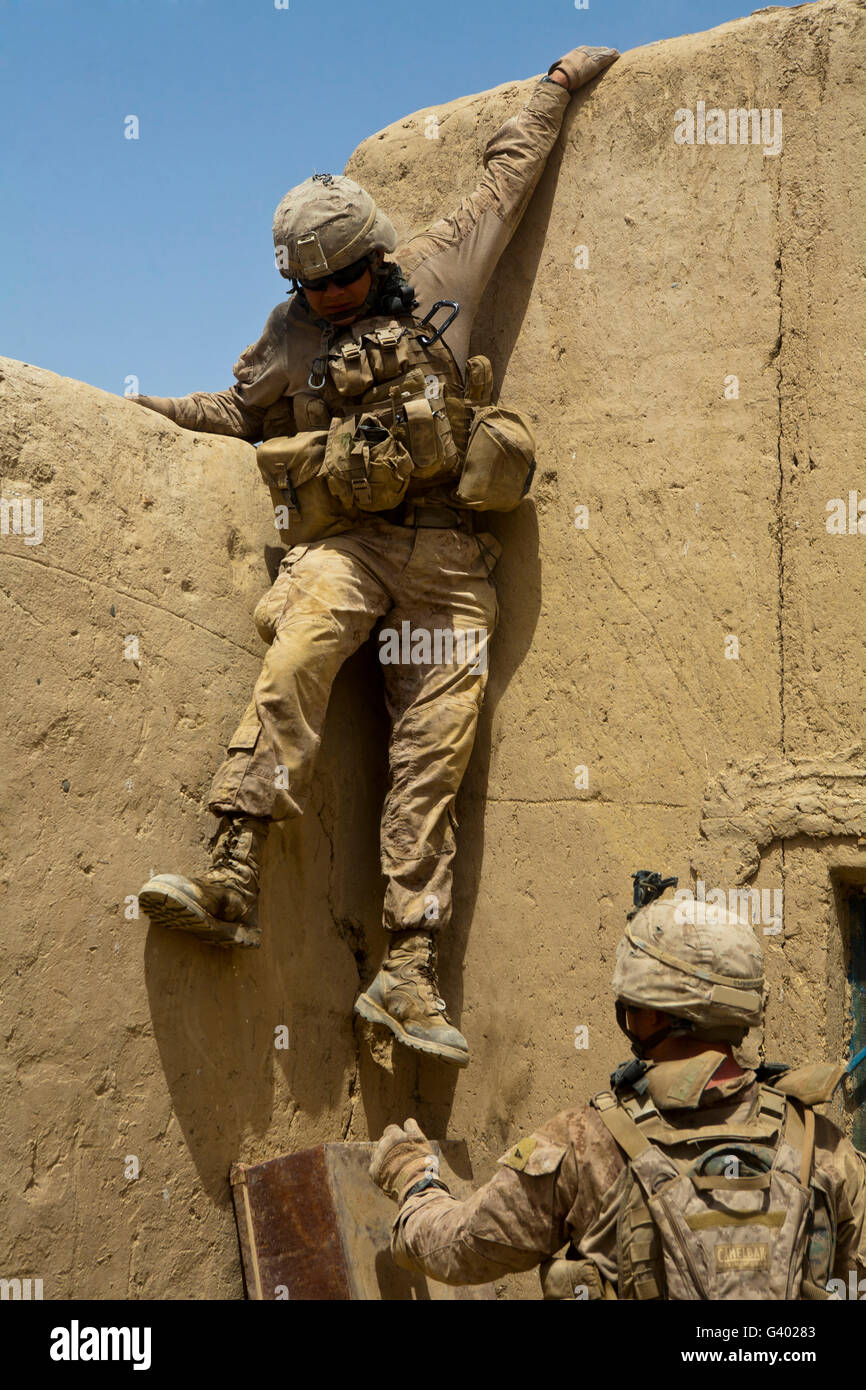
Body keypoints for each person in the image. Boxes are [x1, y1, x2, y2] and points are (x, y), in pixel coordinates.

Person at [132, 45, 620, 1068]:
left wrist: (557, 85)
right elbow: (236, 407)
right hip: (345, 547)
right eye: (311, 285)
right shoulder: (289, 331)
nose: (332, 296)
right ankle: (231, 867)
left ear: (375, 255)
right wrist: (143, 412)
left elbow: (506, 174)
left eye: (344, 276)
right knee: (297, 654)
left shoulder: (443, 268)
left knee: (433, 756)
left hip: (447, 562)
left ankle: (407, 969)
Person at [370, 873, 866, 1297]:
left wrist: (415, 1180)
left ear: (645, 1011)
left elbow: (459, 1249)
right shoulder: (821, 1145)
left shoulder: (588, 1142)